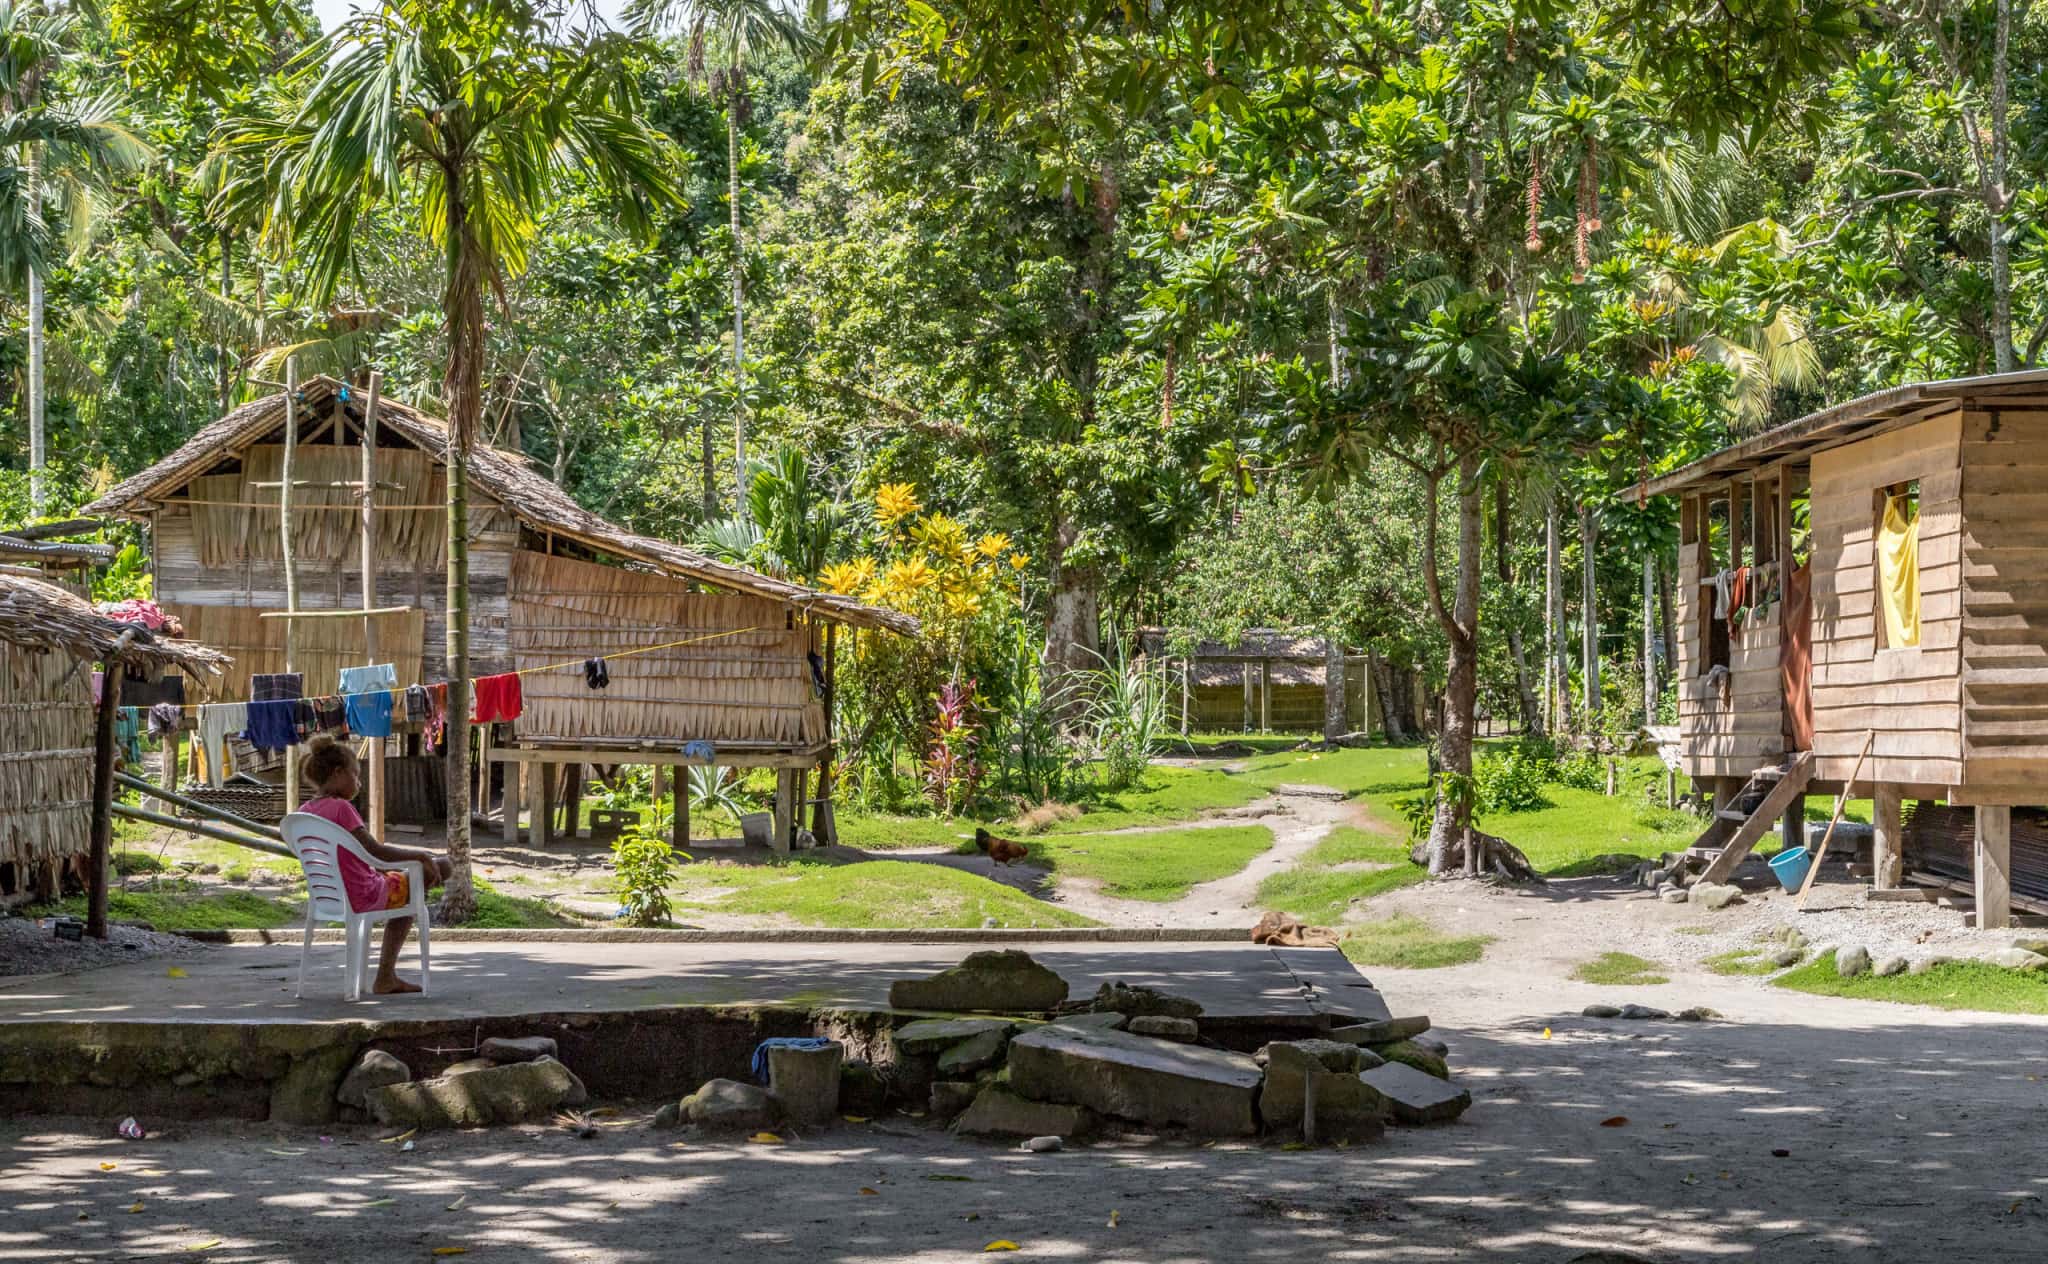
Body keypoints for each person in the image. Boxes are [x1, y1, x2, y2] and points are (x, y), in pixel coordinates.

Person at [298, 734, 452, 995]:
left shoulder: (304, 812)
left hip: (330, 898)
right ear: (337, 773)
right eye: (355, 775)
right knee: (440, 867)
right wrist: (421, 856)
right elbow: (376, 850)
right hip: (364, 895)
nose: (358, 782)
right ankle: (385, 976)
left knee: (409, 883)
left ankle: (387, 974)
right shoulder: (341, 809)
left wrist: (382, 867)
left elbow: (354, 856)